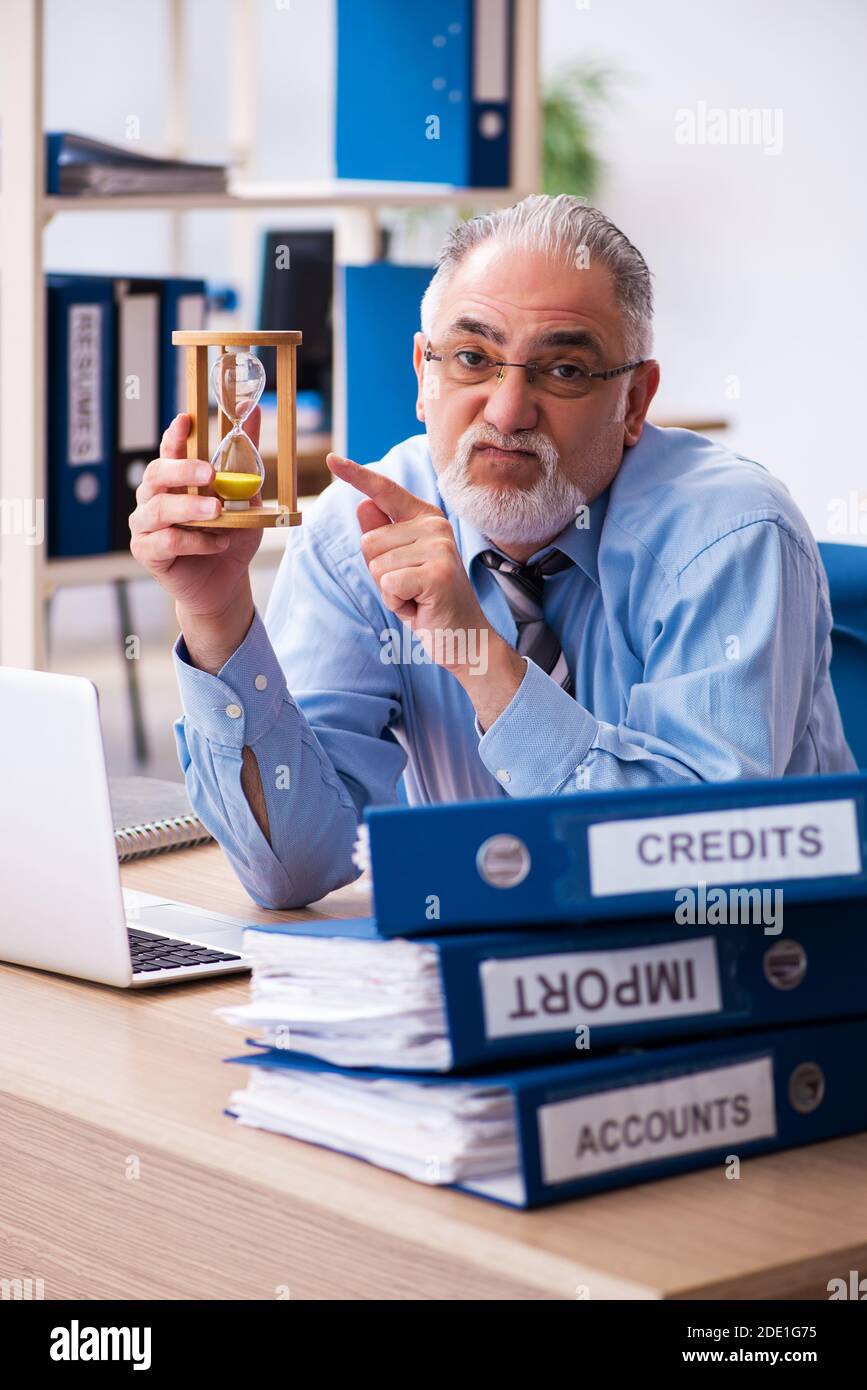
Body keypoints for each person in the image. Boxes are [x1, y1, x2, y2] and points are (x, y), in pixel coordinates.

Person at [129, 195, 856, 909]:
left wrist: (476, 654)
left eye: (564, 370)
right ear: (423, 374)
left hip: (752, 981)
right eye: (473, 358)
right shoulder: (357, 528)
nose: (508, 412)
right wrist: (217, 614)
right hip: (471, 967)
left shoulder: (730, 536)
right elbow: (296, 869)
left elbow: (690, 874)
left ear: (634, 402)